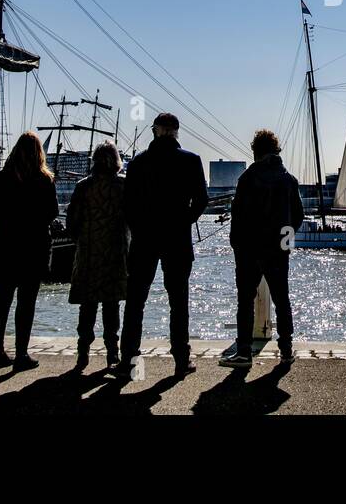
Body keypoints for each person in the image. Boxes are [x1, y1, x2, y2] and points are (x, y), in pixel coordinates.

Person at [113, 112, 208, 379]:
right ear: (177, 132)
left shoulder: (139, 163)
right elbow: (202, 200)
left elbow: (128, 204)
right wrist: (185, 221)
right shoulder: (191, 161)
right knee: (178, 302)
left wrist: (139, 228)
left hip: (144, 239)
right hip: (177, 239)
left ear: (155, 131)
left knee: (136, 301)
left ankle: (128, 360)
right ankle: (180, 359)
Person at [220, 129, 304, 369]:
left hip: (249, 249)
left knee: (245, 300)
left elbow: (239, 217)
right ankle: (286, 350)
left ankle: (244, 351)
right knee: (282, 299)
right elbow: (298, 215)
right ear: (276, 150)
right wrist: (285, 241)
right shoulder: (289, 180)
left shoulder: (247, 178)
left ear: (255, 151)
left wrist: (237, 245)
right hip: (278, 249)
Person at [0, 131, 59, 372]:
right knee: (26, 302)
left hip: (7, 244)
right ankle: (21, 354)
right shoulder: (44, 180)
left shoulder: (4, 177)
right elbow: (52, 213)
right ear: (40, 153)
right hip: (34, 246)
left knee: (1, 300)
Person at [66, 141, 129, 371]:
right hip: (115, 253)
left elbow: (71, 222)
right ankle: (112, 354)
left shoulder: (83, 186)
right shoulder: (123, 186)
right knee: (112, 307)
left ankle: (82, 354)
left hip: (88, 253)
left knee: (87, 307)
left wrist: (81, 239)